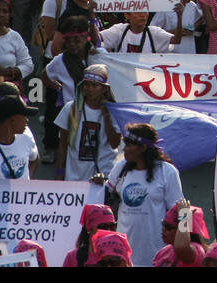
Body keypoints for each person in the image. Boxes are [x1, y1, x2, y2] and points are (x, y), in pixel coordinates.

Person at [105, 123, 184, 267]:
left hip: (156, 252)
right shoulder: (120, 167)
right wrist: (98, 181)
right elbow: (102, 196)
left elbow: (180, 211)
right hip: (123, 252)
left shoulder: (167, 171)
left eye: (129, 145)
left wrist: (183, 245)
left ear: (143, 148)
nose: (124, 149)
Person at [54, 63, 121, 183]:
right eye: (87, 85)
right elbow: (63, 143)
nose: (89, 89)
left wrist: (106, 116)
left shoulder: (113, 112)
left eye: (94, 85)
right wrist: (59, 173)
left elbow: (115, 143)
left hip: (102, 176)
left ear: (104, 88)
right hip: (74, 177)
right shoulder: (71, 108)